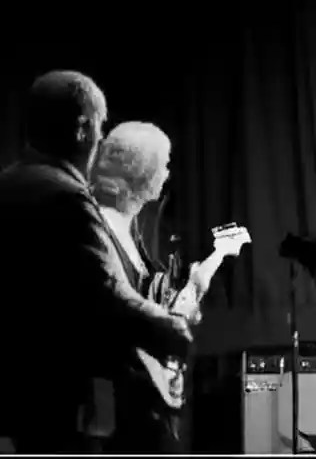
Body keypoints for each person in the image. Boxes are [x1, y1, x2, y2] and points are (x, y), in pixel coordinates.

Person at [0, 71, 192, 453]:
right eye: (100, 128)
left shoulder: (9, 184)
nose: (101, 140)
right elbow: (105, 293)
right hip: (65, 400)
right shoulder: (65, 196)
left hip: (19, 396)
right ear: (83, 129)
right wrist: (169, 327)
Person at [89, 121, 195, 453]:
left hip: (138, 403)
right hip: (107, 409)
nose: (166, 173)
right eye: (162, 164)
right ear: (141, 171)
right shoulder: (96, 227)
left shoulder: (134, 229)